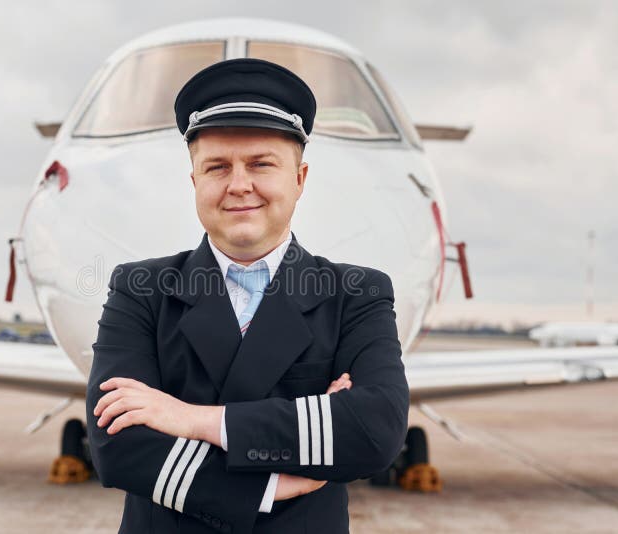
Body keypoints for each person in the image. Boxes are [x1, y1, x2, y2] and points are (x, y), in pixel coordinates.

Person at [86, 58, 409, 534]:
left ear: (299, 179)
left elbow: (375, 431)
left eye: (261, 164)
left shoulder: (357, 294)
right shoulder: (140, 290)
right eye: (217, 167)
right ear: (195, 182)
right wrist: (273, 482)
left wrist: (190, 419)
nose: (239, 185)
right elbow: (116, 447)